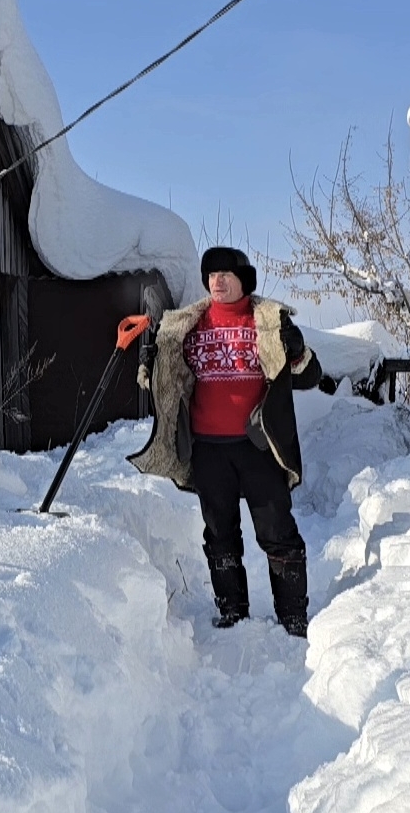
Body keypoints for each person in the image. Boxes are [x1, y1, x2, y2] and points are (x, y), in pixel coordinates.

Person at [128, 246, 322, 637]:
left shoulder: (267, 320)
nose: (217, 281)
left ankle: (293, 616)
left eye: (225, 274)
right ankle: (233, 611)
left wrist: (297, 350)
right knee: (219, 533)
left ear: (244, 280)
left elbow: (309, 377)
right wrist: (151, 362)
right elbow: (162, 386)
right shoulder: (185, 326)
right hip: (207, 449)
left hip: (258, 446)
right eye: (211, 274)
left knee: (277, 530)